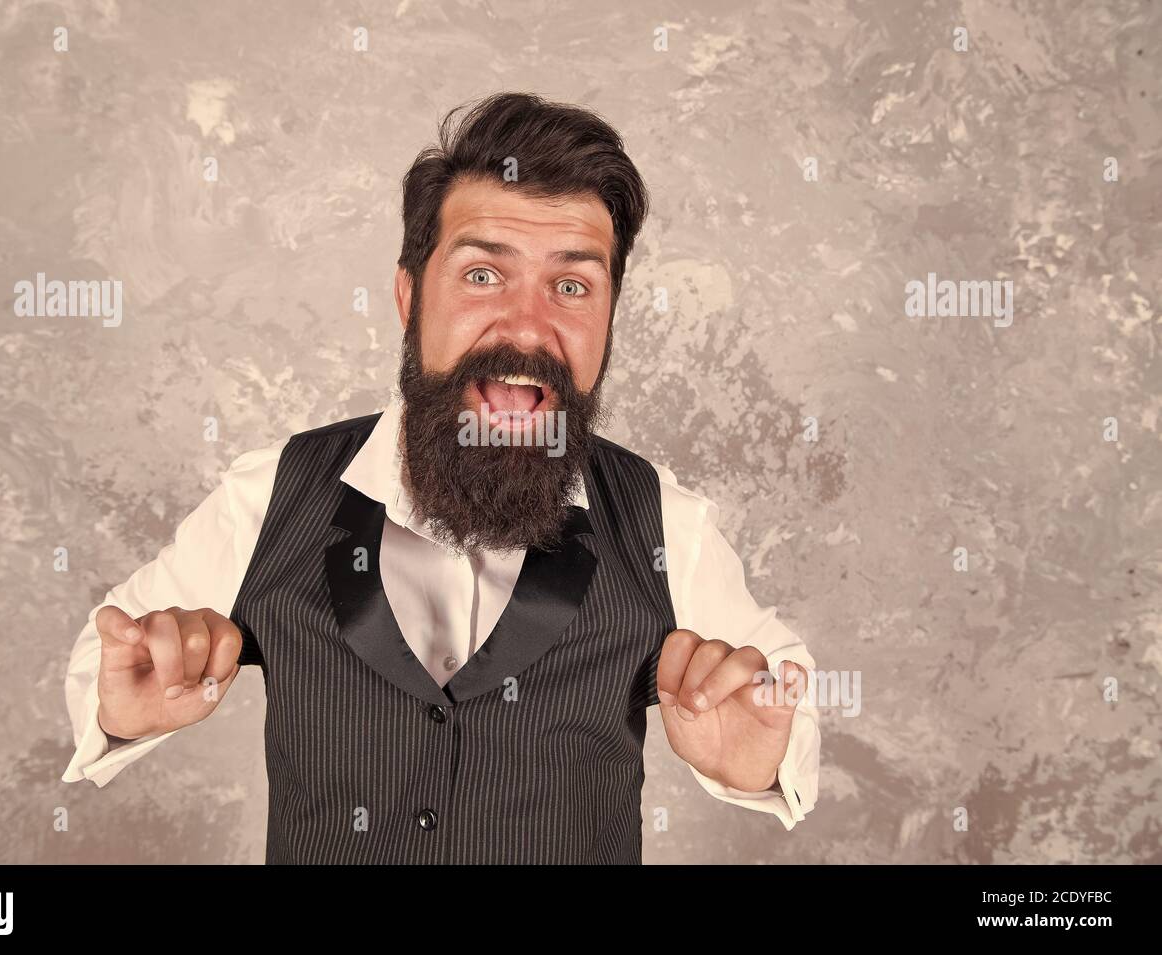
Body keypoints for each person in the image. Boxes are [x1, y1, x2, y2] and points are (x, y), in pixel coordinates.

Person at [62, 91, 820, 864]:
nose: (527, 326)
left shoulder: (665, 527)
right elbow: (108, 656)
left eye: (571, 286)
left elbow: (786, 689)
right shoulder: (271, 496)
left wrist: (761, 754)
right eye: (484, 274)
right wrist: (120, 703)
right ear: (408, 297)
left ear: (611, 317)